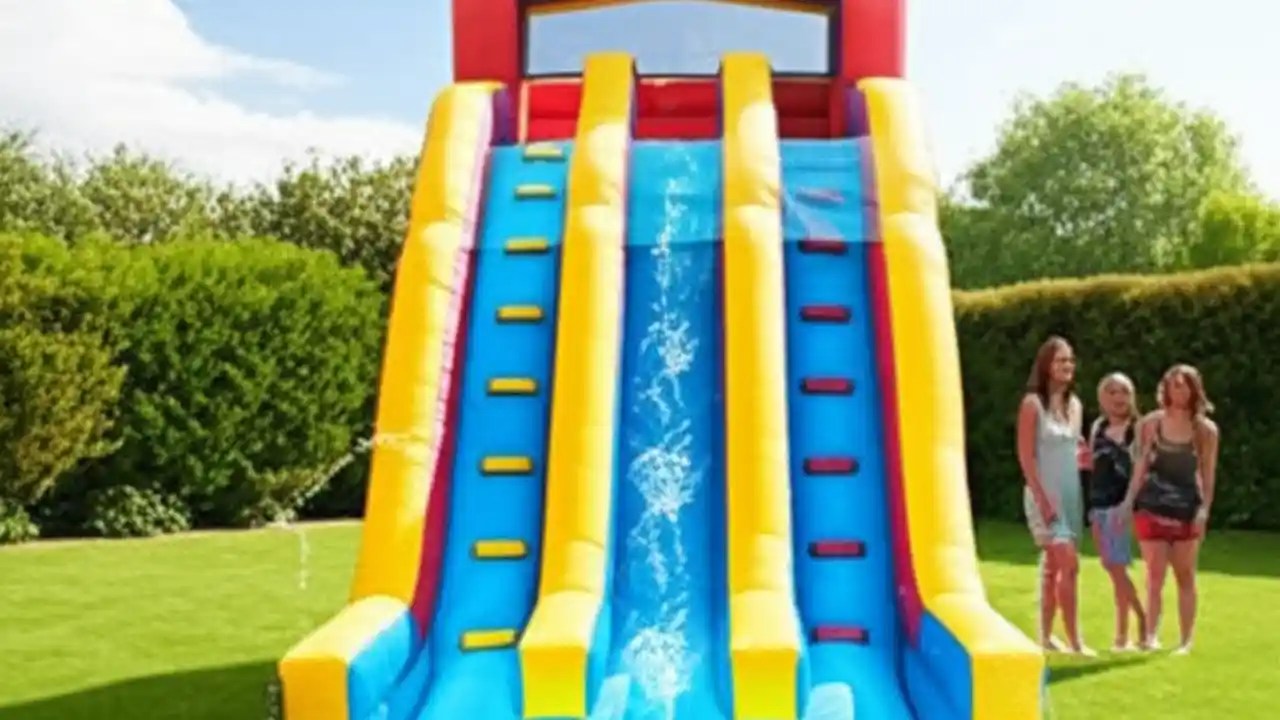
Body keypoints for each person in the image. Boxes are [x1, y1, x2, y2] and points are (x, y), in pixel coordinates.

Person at [1116, 364, 1219, 655]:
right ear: (1166, 388)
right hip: (1152, 506)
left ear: (1194, 389)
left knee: (1185, 575)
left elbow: (1208, 473)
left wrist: (1204, 509)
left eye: (1185, 385)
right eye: (1174, 385)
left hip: (1187, 507)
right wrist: (1128, 502)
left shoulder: (1205, 430)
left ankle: (1185, 641)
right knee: (1154, 574)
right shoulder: (1151, 423)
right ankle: (1150, 636)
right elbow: (1140, 465)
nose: (1179, 391)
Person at [1017, 335, 1093, 655]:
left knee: (1053, 568)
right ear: (1047, 365)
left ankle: (1045, 637)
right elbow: (1026, 457)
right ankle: (1075, 641)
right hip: (1043, 494)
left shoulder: (1075, 406)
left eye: (1071, 360)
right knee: (1069, 565)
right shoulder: (1032, 404)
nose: (1068, 366)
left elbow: (1073, 449)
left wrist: (1084, 459)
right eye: (1061, 360)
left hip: (1070, 494)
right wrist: (1043, 501)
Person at [1086, 372, 1147, 651]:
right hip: (1097, 504)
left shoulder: (1138, 428)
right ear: (1102, 397)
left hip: (1120, 505)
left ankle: (1142, 623)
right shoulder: (1097, 427)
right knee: (1112, 568)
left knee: (1117, 567)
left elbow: (1140, 469)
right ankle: (1121, 635)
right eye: (1111, 391)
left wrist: (1128, 505)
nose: (1118, 397)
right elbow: (1091, 464)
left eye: (1123, 391)